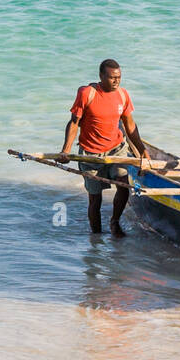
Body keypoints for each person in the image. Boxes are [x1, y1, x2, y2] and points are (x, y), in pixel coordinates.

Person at [56, 59, 147, 237]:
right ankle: (96, 238)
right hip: (91, 153)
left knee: (123, 186)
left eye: (119, 77)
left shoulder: (123, 95)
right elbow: (74, 123)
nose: (116, 81)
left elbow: (130, 126)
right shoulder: (87, 93)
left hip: (116, 149)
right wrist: (65, 151)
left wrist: (143, 152)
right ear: (101, 76)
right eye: (112, 78)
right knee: (95, 198)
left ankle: (114, 222)